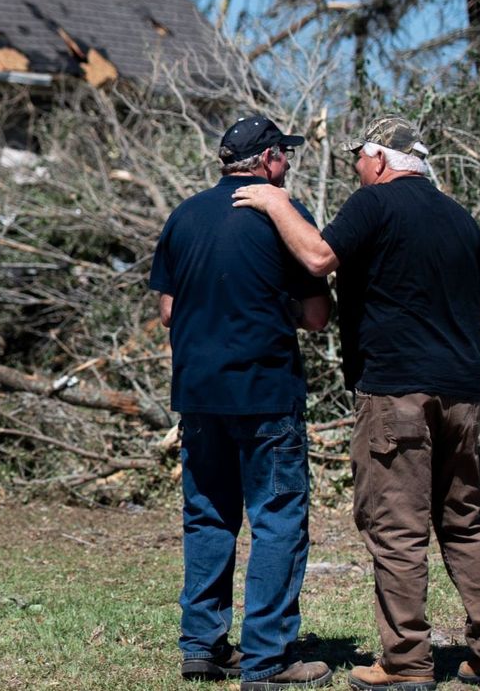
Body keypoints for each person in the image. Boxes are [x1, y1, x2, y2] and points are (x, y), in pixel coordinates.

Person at [232, 117, 480, 690]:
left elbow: (317, 258)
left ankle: (406, 662)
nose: (357, 170)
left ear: (381, 159)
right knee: (465, 522)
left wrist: (273, 200)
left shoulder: (375, 204)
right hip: (462, 391)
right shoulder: (459, 217)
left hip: (395, 394)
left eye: (360, 159)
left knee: (396, 528)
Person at [151, 116, 335, 689]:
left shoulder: (184, 216)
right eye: (286, 156)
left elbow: (167, 312)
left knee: (208, 516)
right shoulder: (281, 213)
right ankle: (269, 658)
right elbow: (317, 315)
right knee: (277, 519)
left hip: (200, 395)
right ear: (271, 159)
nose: (289, 166)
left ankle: (202, 647)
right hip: (264, 392)